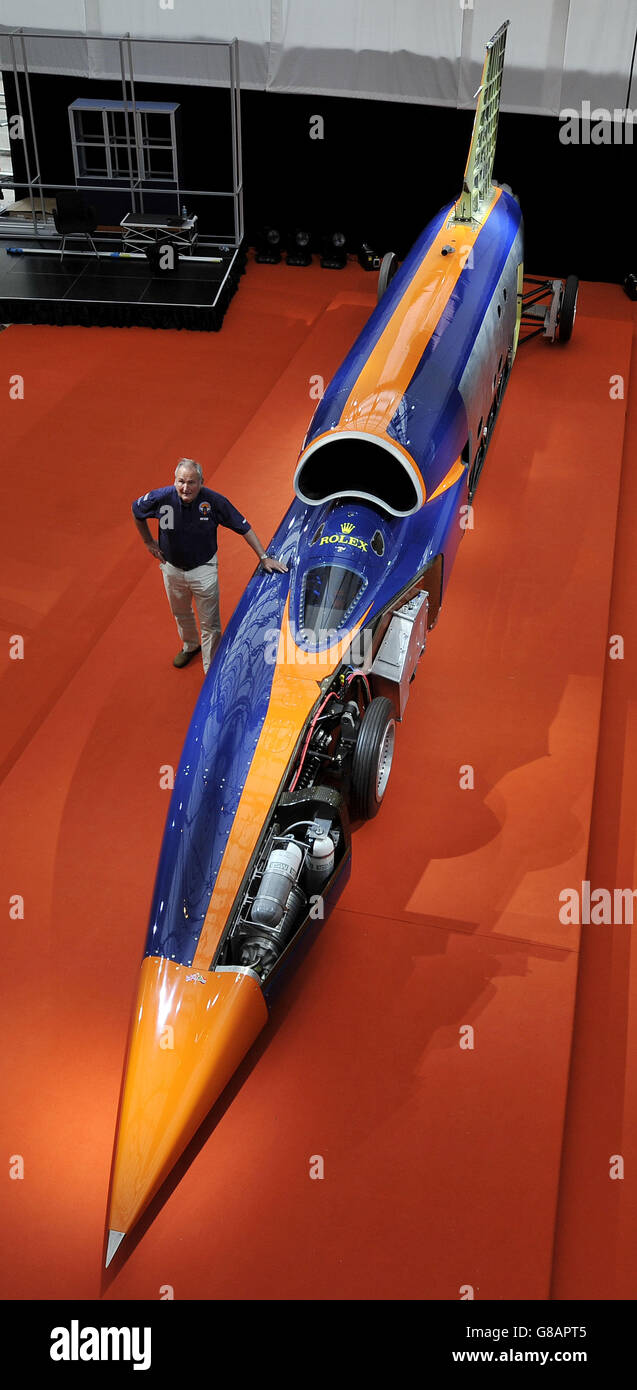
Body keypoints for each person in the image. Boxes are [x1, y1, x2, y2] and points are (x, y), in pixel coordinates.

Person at [132, 458, 286, 673]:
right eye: (181, 481)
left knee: (210, 625)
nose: (185, 487)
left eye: (191, 482)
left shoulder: (214, 502)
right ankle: (190, 646)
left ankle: (211, 669)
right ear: (174, 481)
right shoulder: (161, 498)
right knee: (181, 613)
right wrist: (148, 541)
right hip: (172, 568)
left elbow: (243, 527)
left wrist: (263, 556)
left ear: (201, 482)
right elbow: (137, 510)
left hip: (203, 570)